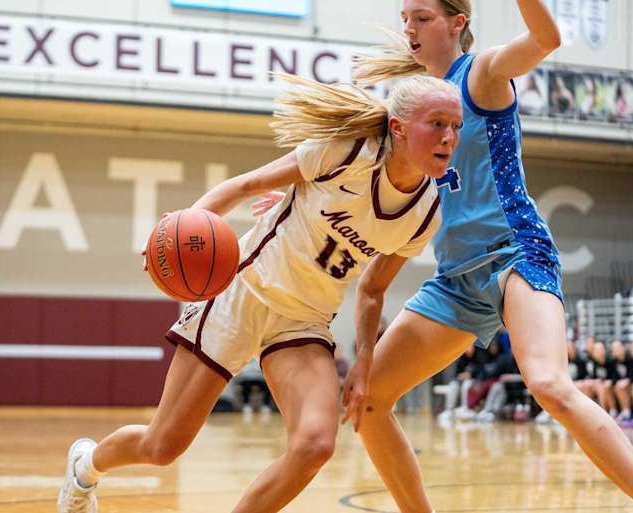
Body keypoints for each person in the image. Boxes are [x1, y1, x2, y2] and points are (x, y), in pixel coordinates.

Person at [55, 73, 463, 513]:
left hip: (304, 322)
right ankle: (85, 467)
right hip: (243, 294)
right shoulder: (348, 154)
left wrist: (363, 362)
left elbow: (373, 289)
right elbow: (245, 185)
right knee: (162, 446)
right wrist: (172, 232)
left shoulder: (424, 215)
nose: (449, 137)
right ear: (399, 128)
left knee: (315, 445)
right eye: (437, 124)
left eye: (456, 126)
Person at [343, 1, 633, 511]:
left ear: (458, 22)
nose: (409, 27)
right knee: (368, 403)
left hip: (514, 253)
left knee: (546, 382)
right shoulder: (409, 106)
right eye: (405, 18)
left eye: (422, 16)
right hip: (455, 279)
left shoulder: (480, 73)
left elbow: (545, 39)